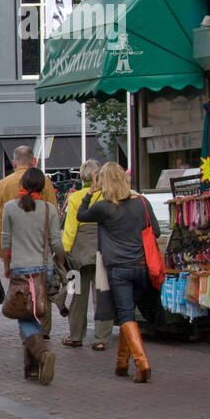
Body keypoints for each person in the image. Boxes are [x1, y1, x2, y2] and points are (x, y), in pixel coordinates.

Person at [76, 162, 159, 383]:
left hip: (117, 268)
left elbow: (80, 216)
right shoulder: (142, 202)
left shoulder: (103, 206)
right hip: (142, 266)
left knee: (125, 315)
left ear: (103, 181)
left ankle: (142, 363)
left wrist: (90, 193)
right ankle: (121, 362)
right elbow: (156, 231)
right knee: (127, 312)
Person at [0, 167, 66, 385]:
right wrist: (63, 261)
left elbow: (6, 242)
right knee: (36, 314)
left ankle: (42, 355)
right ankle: (32, 369)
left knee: (25, 316)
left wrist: (7, 265)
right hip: (43, 269)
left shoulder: (10, 208)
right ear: (43, 187)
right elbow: (56, 242)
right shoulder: (49, 210)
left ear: (22, 185)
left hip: (20, 268)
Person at [0, 146, 58, 335]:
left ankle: (30, 338)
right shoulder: (44, 182)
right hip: (42, 254)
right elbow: (54, 214)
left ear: (14, 162)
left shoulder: (3, 184)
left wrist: (3, 254)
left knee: (21, 297)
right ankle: (43, 333)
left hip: (18, 255)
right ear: (34, 162)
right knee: (42, 295)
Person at [62, 160, 114, 352]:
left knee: (76, 294)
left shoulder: (75, 198)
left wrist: (65, 253)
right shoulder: (105, 196)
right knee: (102, 294)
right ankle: (101, 337)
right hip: (102, 249)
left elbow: (69, 229)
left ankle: (75, 335)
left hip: (78, 254)